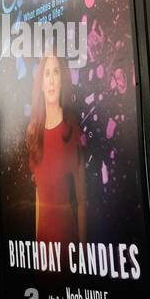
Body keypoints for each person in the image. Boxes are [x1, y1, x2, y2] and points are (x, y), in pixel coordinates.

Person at [26, 54, 87, 244]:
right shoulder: (34, 134)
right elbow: (38, 201)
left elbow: (83, 203)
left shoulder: (73, 131)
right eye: (46, 74)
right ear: (41, 84)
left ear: (62, 80)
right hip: (43, 256)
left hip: (70, 251)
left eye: (56, 72)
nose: (51, 80)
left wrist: (84, 258)